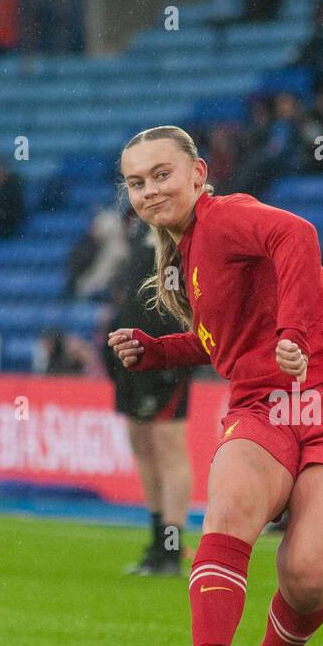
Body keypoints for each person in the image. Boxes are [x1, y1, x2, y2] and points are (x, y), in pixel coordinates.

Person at [108, 125, 323, 646]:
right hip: (264, 403)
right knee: (230, 509)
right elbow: (225, 342)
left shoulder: (227, 217)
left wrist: (295, 333)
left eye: (161, 175)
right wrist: (158, 352)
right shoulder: (182, 259)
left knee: (309, 576)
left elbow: (298, 233)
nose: (149, 191)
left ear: (198, 175)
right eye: (136, 182)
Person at [105, 208, 195, 576]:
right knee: (140, 442)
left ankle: (172, 548)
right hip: (131, 347)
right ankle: (157, 541)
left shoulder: (189, 221)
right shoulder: (138, 222)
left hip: (168, 349)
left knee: (168, 445)